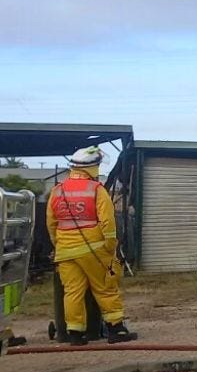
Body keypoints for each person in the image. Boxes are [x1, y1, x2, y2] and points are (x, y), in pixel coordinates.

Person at [46, 146, 137, 345]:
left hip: (65, 251)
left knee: (72, 292)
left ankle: (75, 334)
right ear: (92, 168)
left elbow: (51, 224)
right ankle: (116, 329)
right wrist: (110, 247)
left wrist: (58, 245)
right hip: (94, 249)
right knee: (105, 287)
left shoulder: (57, 191)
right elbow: (108, 222)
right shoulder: (96, 190)